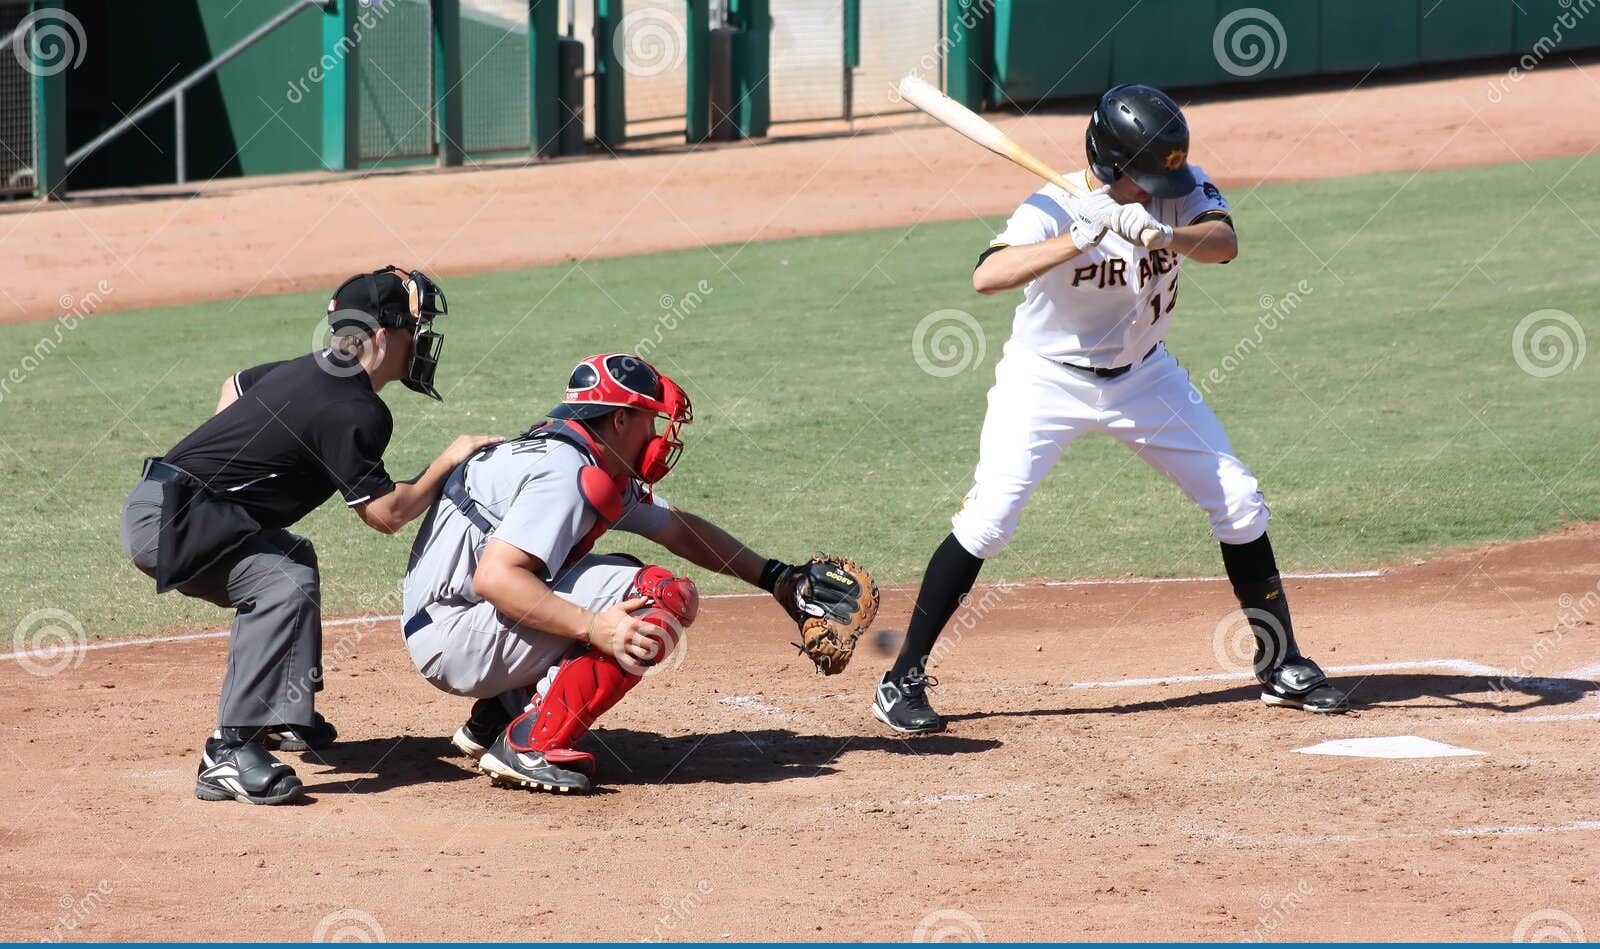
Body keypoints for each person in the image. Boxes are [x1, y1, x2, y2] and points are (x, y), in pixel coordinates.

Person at [872, 84, 1346, 734]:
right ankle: (901, 678)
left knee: (1238, 499)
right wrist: (1078, 236)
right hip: (1044, 382)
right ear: (1111, 165)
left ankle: (1280, 662)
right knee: (988, 521)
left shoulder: (1178, 188)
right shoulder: (1050, 205)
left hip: (1144, 378)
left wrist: (1166, 233)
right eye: (1145, 181)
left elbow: (1224, 243)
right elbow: (987, 275)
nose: (1157, 189)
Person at [401, 353, 870, 795]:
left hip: (455, 621)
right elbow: (496, 579)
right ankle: (530, 744)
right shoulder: (563, 472)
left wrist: (777, 578)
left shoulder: (580, 455)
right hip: (457, 634)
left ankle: (497, 713)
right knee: (659, 597)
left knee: (623, 575)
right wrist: (593, 626)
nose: (659, 435)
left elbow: (680, 530)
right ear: (620, 419)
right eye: (651, 420)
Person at [119, 266, 500, 804]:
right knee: (281, 579)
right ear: (384, 336)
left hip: (166, 502)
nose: (421, 341)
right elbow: (387, 514)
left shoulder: (313, 370)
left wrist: (233, 463)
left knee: (289, 554)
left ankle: (282, 713)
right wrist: (451, 459)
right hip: (171, 521)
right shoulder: (354, 408)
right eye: (415, 328)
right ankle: (230, 749)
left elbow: (236, 384)